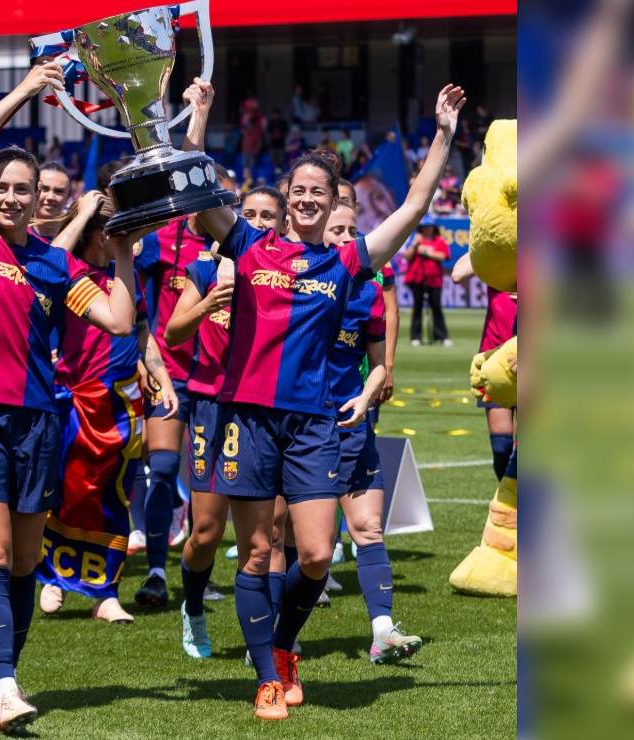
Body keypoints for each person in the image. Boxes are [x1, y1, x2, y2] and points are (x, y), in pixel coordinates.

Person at [193, 84, 465, 720]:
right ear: (286, 199)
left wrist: (445, 135)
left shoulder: (346, 262)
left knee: (315, 555)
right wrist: (202, 114)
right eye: (300, 190)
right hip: (249, 419)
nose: (309, 198)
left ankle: (284, 645)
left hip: (315, 423)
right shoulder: (248, 245)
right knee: (260, 553)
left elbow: (416, 204)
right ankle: (266, 676)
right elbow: (200, 188)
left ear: (332, 200)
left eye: (321, 191)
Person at [0, 61, 142, 733]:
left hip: (37, 421)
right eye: (1, 187)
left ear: (39, 200)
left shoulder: (53, 265)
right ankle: (3, 685)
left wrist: (121, 253)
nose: (10, 197)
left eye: (22, 190)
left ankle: (5, 676)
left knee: (26, 563)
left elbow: (118, 320)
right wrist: (30, 90)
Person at [36, 194, 176, 624]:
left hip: (122, 401)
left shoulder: (125, 276)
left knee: (114, 495)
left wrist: (163, 378)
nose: (137, 243)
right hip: (75, 398)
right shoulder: (71, 272)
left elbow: (141, 332)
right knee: (63, 493)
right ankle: (56, 580)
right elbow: (45, 263)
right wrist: (79, 217)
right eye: (127, 233)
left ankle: (105, 592)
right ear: (103, 236)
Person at [166, 185, 286, 659]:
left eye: (267, 216)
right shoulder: (204, 269)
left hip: (263, 410)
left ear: (280, 225)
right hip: (212, 408)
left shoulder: (285, 276)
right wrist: (209, 304)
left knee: (267, 535)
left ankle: (272, 641)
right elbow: (175, 332)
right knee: (206, 533)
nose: (257, 222)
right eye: (249, 213)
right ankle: (193, 607)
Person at [322, 203, 424, 662]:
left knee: (367, 527)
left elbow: (379, 361)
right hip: (296, 426)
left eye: (351, 229)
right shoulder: (289, 281)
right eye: (336, 230)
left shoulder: (367, 289)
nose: (347, 237)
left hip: (351, 420)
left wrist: (367, 395)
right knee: (299, 546)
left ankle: (382, 630)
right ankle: (275, 641)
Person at [129, 79, 216, 608]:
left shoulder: (238, 246)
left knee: (213, 486)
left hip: (220, 378)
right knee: (162, 470)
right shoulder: (163, 240)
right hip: (171, 374)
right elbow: (137, 305)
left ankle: (199, 578)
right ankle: (156, 571)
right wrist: (146, 356)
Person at [453, 252, 516, 479]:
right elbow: (458, 274)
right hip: (494, 359)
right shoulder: (497, 257)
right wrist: (488, 248)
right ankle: (508, 501)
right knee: (501, 447)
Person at [403, 217, 452, 346]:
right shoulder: (415, 240)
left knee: (436, 308)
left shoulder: (439, 241)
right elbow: (407, 256)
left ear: (433, 228)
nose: (427, 229)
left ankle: (441, 336)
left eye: (429, 226)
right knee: (417, 308)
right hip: (417, 279)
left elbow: (444, 256)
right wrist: (415, 245)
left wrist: (427, 253)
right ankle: (415, 337)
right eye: (424, 227)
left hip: (434, 280)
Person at [29, 161, 72, 241]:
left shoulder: (76, 239)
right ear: (33, 191)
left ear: (68, 197)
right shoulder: (16, 234)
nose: (50, 197)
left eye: (58, 191)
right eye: (44, 189)